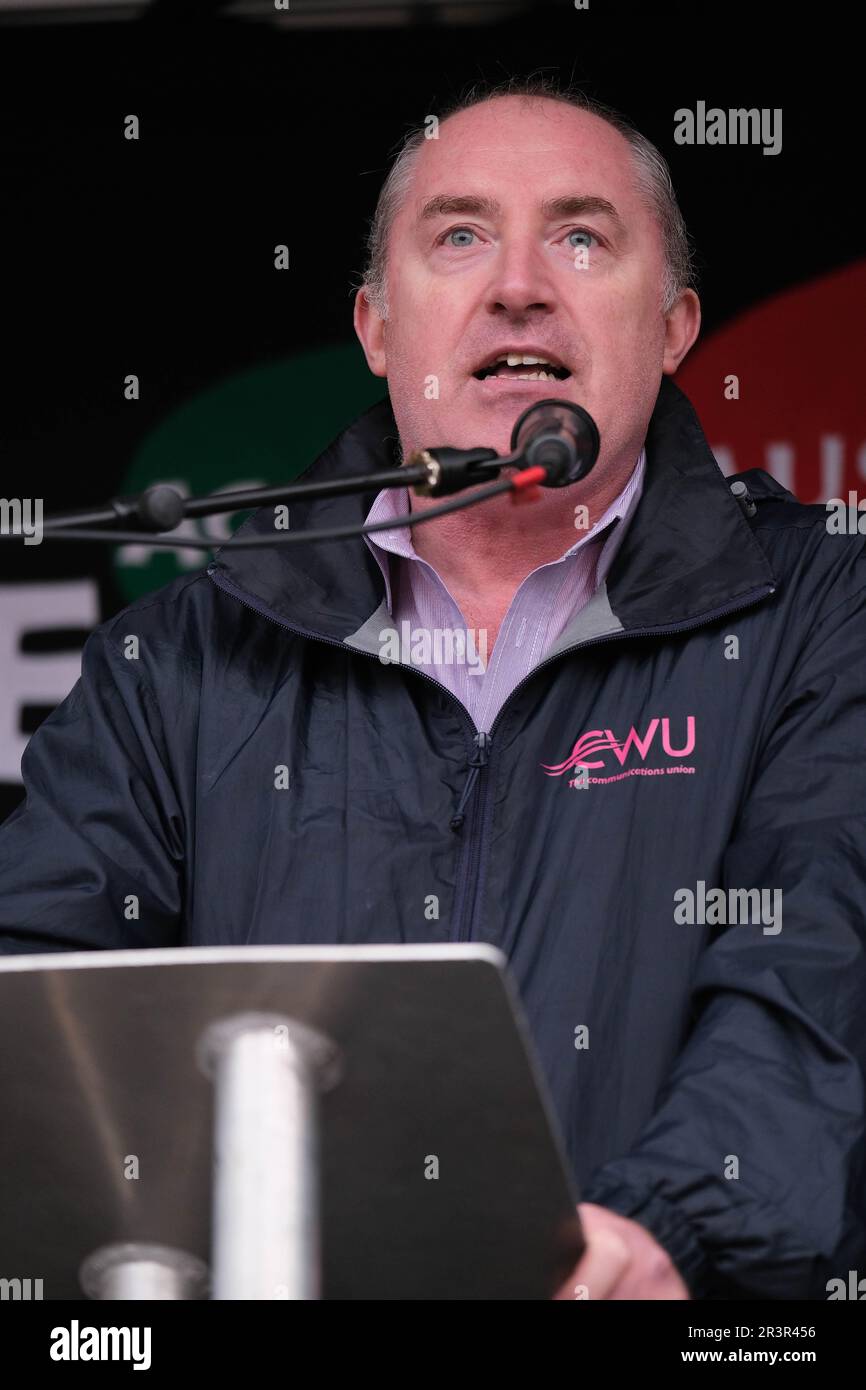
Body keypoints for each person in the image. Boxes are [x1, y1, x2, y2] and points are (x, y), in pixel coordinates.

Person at [1, 76, 865, 1301]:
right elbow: (40, 1034)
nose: (517, 282)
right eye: (458, 235)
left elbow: (822, 957)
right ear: (375, 328)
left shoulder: (825, 607)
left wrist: (661, 1225)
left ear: (673, 328)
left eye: (580, 235)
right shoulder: (177, 663)